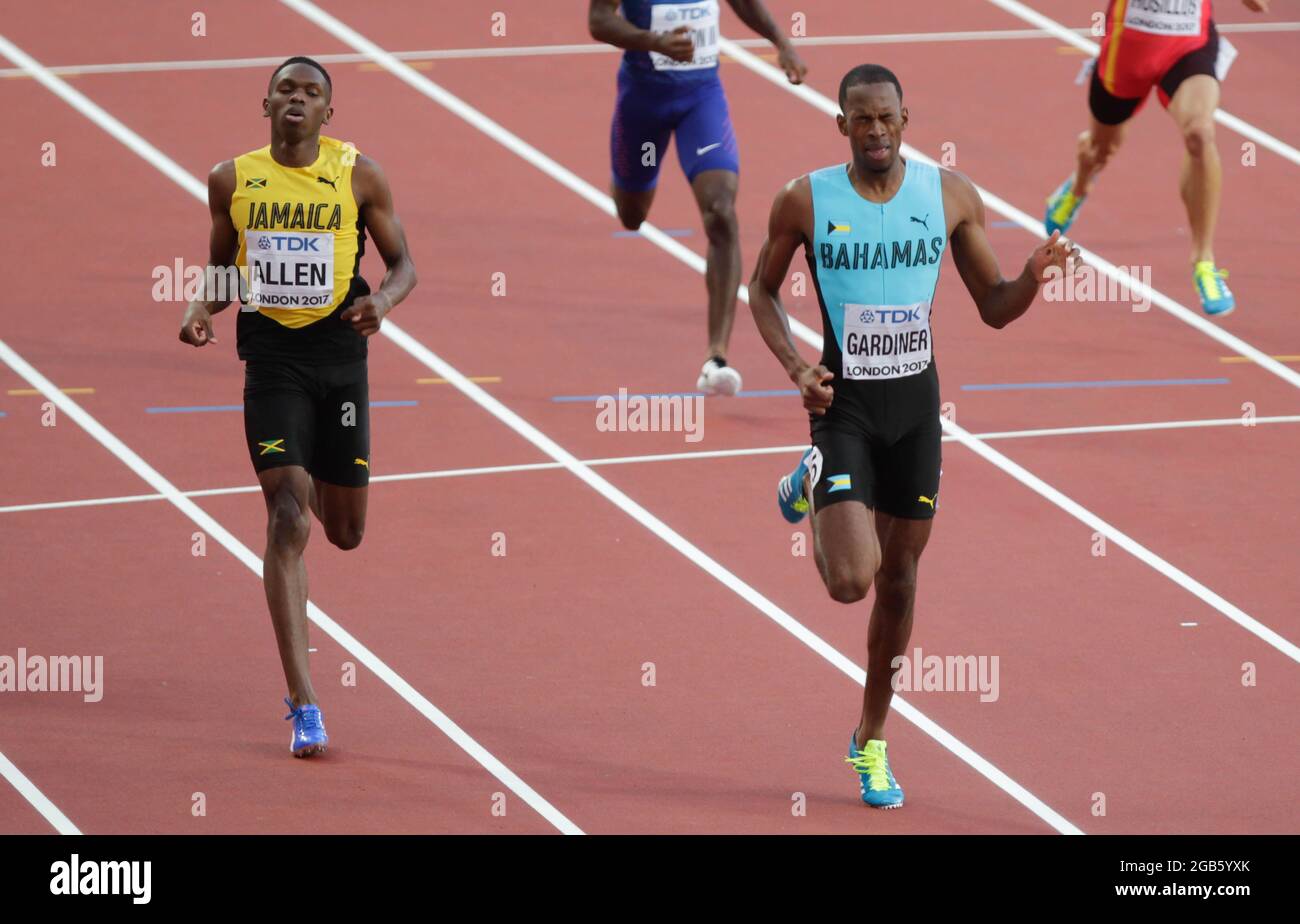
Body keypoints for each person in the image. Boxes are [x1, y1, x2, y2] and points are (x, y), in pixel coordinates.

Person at [750, 65, 1077, 808]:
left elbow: (995, 305)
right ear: (842, 125)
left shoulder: (950, 196)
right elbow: (761, 288)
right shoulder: (804, 199)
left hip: (916, 413)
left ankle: (870, 740)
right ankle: (812, 472)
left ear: (906, 119)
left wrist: (1030, 275)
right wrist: (798, 366)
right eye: (860, 119)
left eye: (886, 118)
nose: (874, 130)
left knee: (899, 580)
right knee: (849, 582)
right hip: (844, 409)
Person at [178, 56, 417, 757]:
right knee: (286, 516)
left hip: (340, 362)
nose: (297, 99)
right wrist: (202, 306)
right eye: (286, 89)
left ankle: (308, 468)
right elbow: (223, 267)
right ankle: (305, 702)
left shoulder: (358, 175)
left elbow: (405, 263)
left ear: (326, 115)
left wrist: (385, 301)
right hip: (273, 360)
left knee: (342, 532)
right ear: (266, 104)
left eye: (311, 92)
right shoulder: (232, 178)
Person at [588, 0, 807, 394]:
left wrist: (781, 42)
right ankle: (631, 175)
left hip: (700, 99)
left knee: (722, 210)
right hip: (643, 102)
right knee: (632, 215)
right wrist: (653, 41)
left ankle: (716, 356)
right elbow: (599, 21)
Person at [1044, 0, 1272, 316]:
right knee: (1100, 149)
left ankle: (1204, 262)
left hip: (1188, 42)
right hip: (1128, 49)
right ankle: (1079, 185)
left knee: (1200, 134)